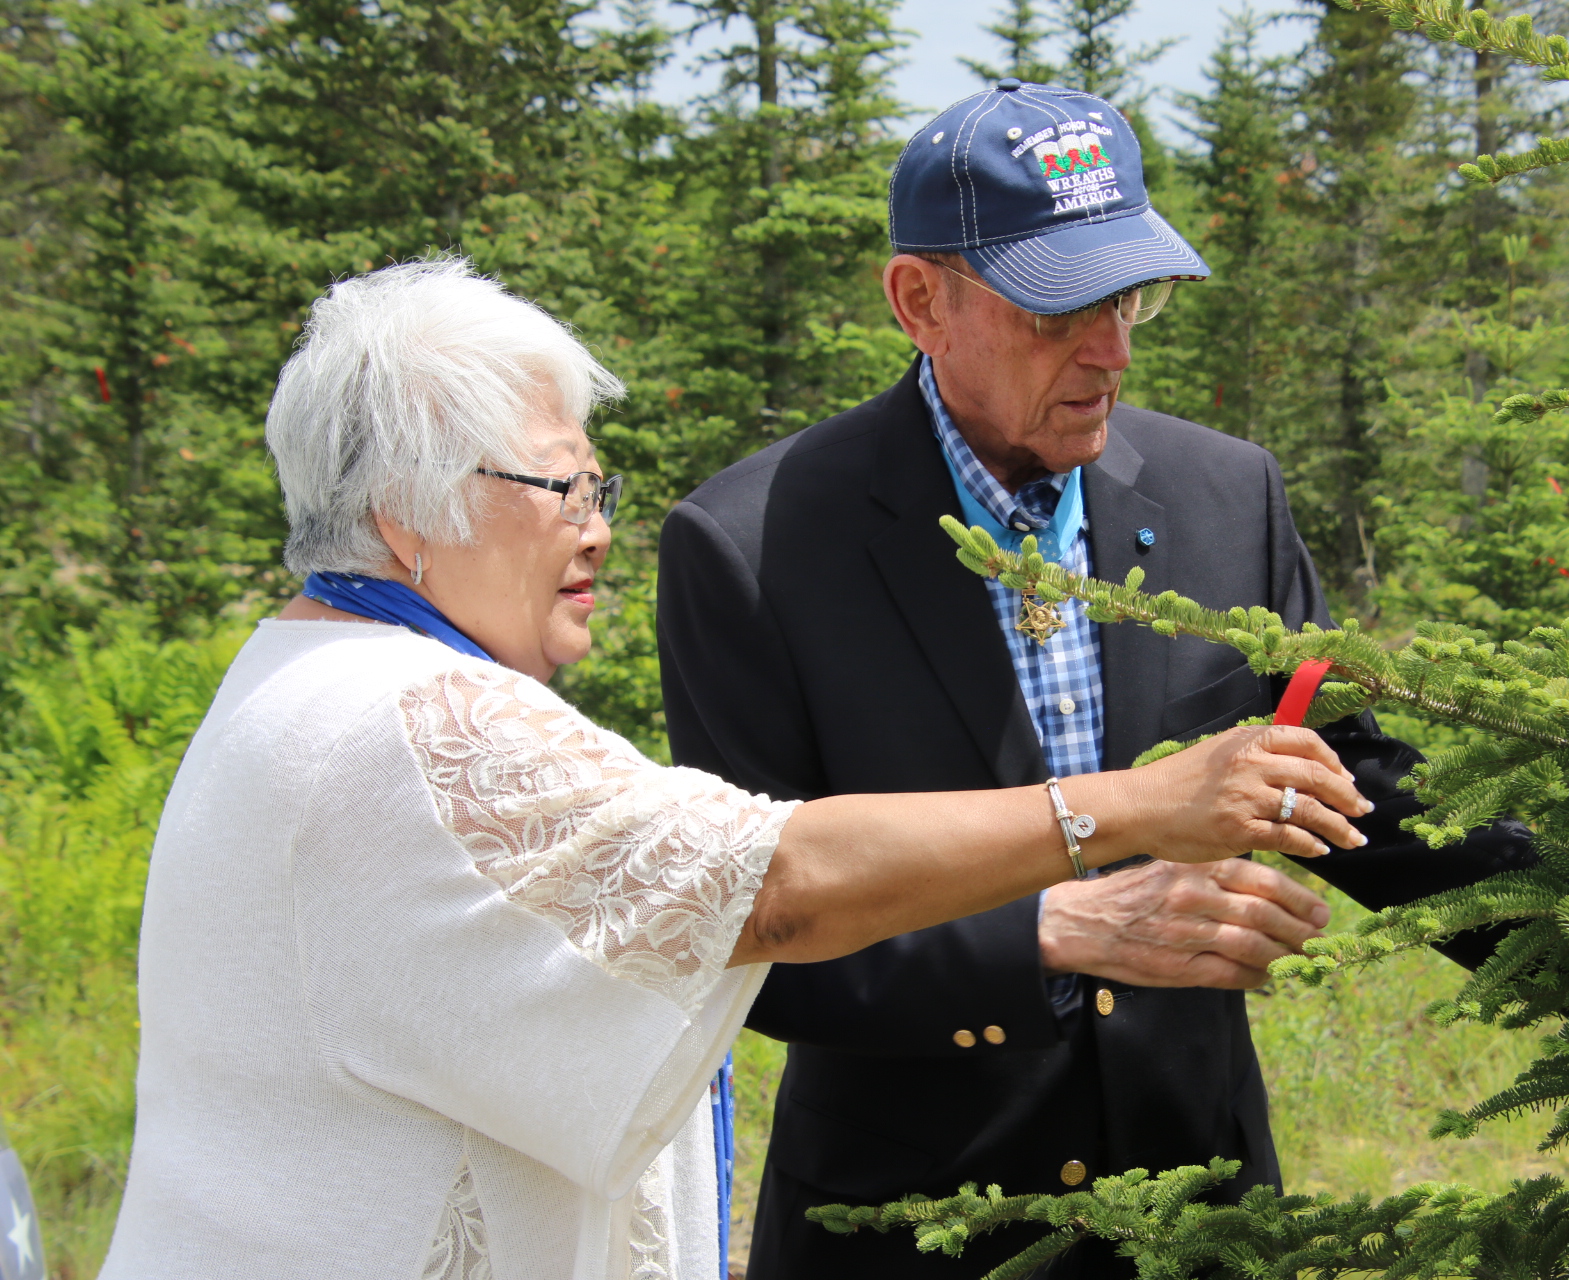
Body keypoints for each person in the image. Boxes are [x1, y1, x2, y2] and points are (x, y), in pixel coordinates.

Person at [95, 259, 1375, 1280]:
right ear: (410, 513)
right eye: (561, 486)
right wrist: (1138, 805)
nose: (599, 526)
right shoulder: (416, 722)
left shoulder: (300, 681)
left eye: (600, 481)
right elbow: (773, 887)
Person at [656, 81, 1537, 1279]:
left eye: (1130, 296)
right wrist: (1053, 929)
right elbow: (743, 929)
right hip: (905, 1233)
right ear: (922, 301)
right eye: (1058, 306)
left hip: (1200, 1216)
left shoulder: (1228, 495)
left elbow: (1359, 784)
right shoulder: (754, 547)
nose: (1112, 351)